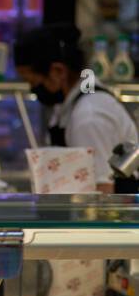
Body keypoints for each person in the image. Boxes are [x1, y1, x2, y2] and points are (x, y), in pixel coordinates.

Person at [14, 23, 139, 192]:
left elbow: (103, 192)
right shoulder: (71, 105)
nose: (33, 89)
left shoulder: (88, 117)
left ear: (58, 71)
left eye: (33, 82)